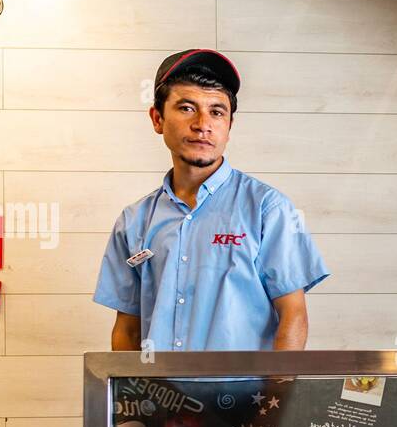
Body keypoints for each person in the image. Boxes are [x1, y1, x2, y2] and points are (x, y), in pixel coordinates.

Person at [93, 49, 329, 351]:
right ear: (157, 118)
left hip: (245, 396)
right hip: (159, 397)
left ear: (229, 126)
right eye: (187, 108)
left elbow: (293, 315)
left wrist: (277, 395)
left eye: (217, 112)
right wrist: (130, 397)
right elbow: (127, 331)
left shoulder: (268, 209)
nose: (203, 124)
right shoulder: (134, 220)